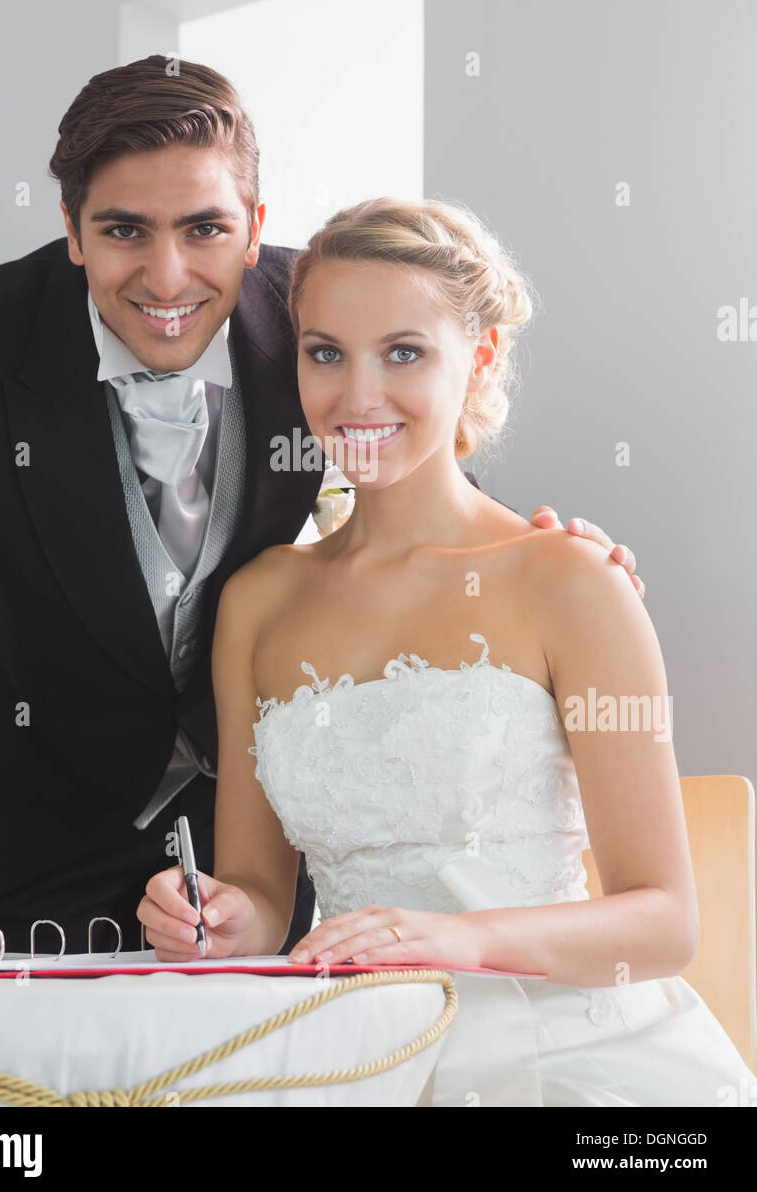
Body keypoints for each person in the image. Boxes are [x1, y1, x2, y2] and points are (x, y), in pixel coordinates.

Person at [0, 56, 640, 971]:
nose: (167, 279)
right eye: (124, 229)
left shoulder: (327, 315)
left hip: (267, 809)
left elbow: (407, 450)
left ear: (254, 229)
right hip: (37, 775)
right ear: (73, 232)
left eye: (204, 228)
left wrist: (536, 556)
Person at [138, 194, 757, 1106]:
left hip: (563, 1051)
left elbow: (665, 922)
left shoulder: (574, 583)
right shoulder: (259, 603)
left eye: (404, 352)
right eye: (325, 354)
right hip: (352, 1050)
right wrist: (218, 921)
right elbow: (263, 901)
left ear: (482, 357)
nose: (358, 397)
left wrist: (461, 939)